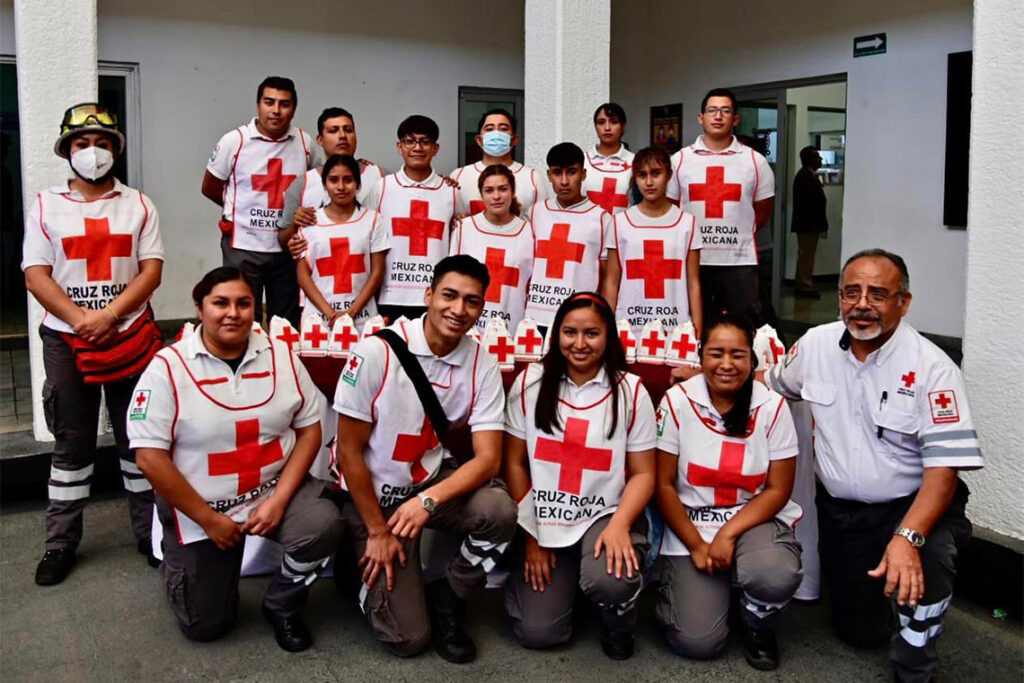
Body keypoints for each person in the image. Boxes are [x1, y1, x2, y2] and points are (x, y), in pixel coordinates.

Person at [766, 249, 982, 683]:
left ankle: (916, 659)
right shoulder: (815, 345)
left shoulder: (932, 368)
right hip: (843, 514)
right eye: (851, 292)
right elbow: (770, 384)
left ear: (904, 302)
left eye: (878, 294)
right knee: (859, 632)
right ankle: (890, 605)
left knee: (931, 555)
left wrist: (907, 538)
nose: (862, 304)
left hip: (914, 505)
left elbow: (943, 474)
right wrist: (703, 376)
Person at [127, 267, 345, 652]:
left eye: (244, 303)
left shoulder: (282, 358)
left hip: (272, 492)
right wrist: (210, 521)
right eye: (220, 303)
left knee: (324, 524)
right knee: (206, 626)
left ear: (255, 311)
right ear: (199, 308)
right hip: (202, 510)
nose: (233, 313)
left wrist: (278, 502)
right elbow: (149, 457)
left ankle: (282, 605)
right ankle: (185, 568)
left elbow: (311, 429)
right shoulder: (166, 368)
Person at [334, 255, 517, 663]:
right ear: (428, 294)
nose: (458, 310)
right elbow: (348, 451)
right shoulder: (375, 352)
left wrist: (427, 500)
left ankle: (450, 593)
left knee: (499, 510)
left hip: (425, 487)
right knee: (408, 639)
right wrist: (378, 531)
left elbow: (488, 459)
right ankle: (355, 558)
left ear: (481, 309)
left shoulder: (481, 362)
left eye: (471, 301)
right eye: (449, 295)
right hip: (373, 500)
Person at [22, 103, 164, 585]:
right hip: (69, 339)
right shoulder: (45, 205)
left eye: (102, 143)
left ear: (116, 150)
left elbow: (151, 270)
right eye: (82, 144)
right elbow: (35, 274)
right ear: (67, 151)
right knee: (72, 442)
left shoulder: (139, 204)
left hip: (130, 336)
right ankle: (60, 543)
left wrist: (109, 315)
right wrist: (83, 319)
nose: (93, 152)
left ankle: (153, 536)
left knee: (140, 438)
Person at [504, 292, 656, 660]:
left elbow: (643, 474)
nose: (580, 343)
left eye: (592, 333)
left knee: (611, 580)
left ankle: (617, 615)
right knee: (538, 633)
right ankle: (571, 584)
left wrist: (620, 524)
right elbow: (514, 464)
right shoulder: (531, 382)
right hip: (545, 519)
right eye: (569, 332)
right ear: (556, 334)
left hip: (604, 517)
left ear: (608, 337)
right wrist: (532, 537)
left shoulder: (631, 391)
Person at [655, 313, 803, 670]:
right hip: (690, 528)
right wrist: (696, 544)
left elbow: (778, 488)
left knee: (772, 573)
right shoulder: (676, 402)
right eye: (716, 353)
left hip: (753, 523)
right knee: (698, 641)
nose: (726, 364)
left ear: (751, 360)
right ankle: (683, 589)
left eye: (737, 355)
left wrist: (727, 534)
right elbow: (663, 485)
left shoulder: (771, 406)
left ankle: (758, 620)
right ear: (700, 355)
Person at [201, 76, 314, 325]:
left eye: (284, 104)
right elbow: (209, 187)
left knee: (285, 323)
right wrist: (237, 208)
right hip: (243, 247)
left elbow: (318, 183)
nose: (276, 110)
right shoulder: (235, 141)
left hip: (286, 249)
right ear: (257, 105)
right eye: (269, 102)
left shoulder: (305, 144)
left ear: (293, 109)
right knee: (242, 318)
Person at [667, 88, 774, 326]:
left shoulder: (755, 162)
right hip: (694, 260)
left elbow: (762, 212)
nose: (718, 116)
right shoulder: (680, 160)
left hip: (739, 261)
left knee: (747, 326)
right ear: (700, 117)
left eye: (725, 111)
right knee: (694, 324)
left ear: (735, 119)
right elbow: (672, 209)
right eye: (712, 110)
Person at [364, 115, 456, 323]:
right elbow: (365, 233)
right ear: (399, 146)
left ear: (435, 148)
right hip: (389, 294)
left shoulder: (451, 191)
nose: (417, 147)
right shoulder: (382, 187)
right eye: (410, 141)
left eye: (425, 141)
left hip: (434, 296)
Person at [602, 147, 702, 337]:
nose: (649, 182)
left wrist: (697, 330)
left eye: (656, 174)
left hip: (676, 330)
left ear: (669, 175)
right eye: (642, 175)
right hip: (628, 330)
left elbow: (693, 283)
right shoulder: (619, 223)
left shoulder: (688, 223)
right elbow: (612, 281)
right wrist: (607, 326)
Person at [292, 154, 389, 328]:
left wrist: (350, 314)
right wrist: (331, 314)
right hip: (319, 318)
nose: (341, 187)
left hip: (362, 318)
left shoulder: (373, 220)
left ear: (358, 184)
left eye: (348, 180)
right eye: (333, 180)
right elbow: (303, 274)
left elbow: (377, 273)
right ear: (324, 184)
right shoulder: (310, 222)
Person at [525, 142, 612, 334]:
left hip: (579, 317)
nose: (564, 181)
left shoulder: (601, 219)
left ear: (583, 174)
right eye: (557, 173)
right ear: (549, 175)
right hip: (535, 317)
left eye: (571, 172)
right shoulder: (535, 213)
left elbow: (607, 278)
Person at [277, 106, 386, 256]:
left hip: (366, 272)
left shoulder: (380, 176)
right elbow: (283, 242)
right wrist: (295, 225)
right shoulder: (303, 184)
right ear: (320, 140)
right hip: (321, 274)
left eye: (348, 130)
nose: (342, 136)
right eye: (333, 131)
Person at [449, 165, 534, 333]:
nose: (496, 196)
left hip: (513, 328)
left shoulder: (529, 232)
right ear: (481, 194)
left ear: (513, 192)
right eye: (489, 190)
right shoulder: (464, 228)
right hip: (469, 327)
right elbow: (452, 278)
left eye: (503, 189)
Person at [449, 108, 546, 217]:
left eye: (503, 129)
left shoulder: (532, 178)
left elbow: (540, 222)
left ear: (514, 140)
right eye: (489, 129)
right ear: (479, 140)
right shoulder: (458, 176)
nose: (496, 134)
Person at [582, 102, 635, 215]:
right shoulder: (582, 161)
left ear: (623, 126)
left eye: (614, 122)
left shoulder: (635, 162)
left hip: (622, 229)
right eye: (601, 122)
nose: (607, 127)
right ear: (595, 127)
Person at [791, 146, 828, 298]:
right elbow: (808, 204)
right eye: (817, 157)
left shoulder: (808, 175)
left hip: (810, 224)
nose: (820, 159)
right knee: (806, 256)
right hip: (808, 225)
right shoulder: (805, 177)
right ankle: (804, 285)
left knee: (807, 255)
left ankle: (803, 283)